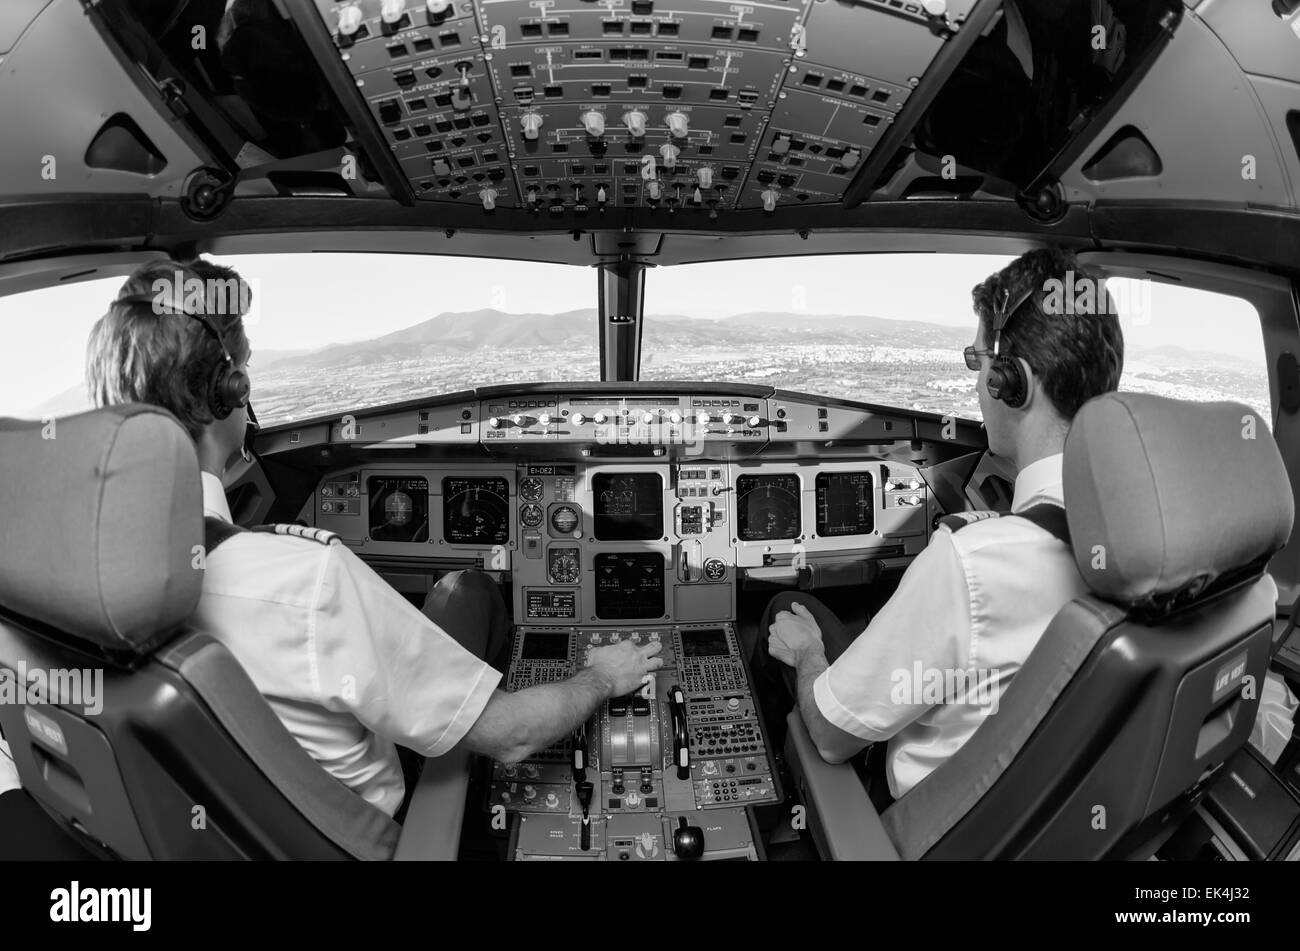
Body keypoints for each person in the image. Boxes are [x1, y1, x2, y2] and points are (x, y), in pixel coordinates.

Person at [84, 258, 662, 825]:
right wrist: (603, 676)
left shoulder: (65, 581)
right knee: (465, 591)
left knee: (460, 593)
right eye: (246, 370)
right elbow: (511, 735)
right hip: (369, 830)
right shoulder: (303, 581)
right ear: (224, 390)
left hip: (239, 831)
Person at [756, 247, 1124, 805]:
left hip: (917, 813)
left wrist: (811, 655)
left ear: (1014, 381)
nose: (977, 386)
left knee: (785, 613)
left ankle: (776, 798)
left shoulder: (974, 562)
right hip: (1046, 810)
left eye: (980, 364)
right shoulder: (1155, 533)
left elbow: (832, 737)